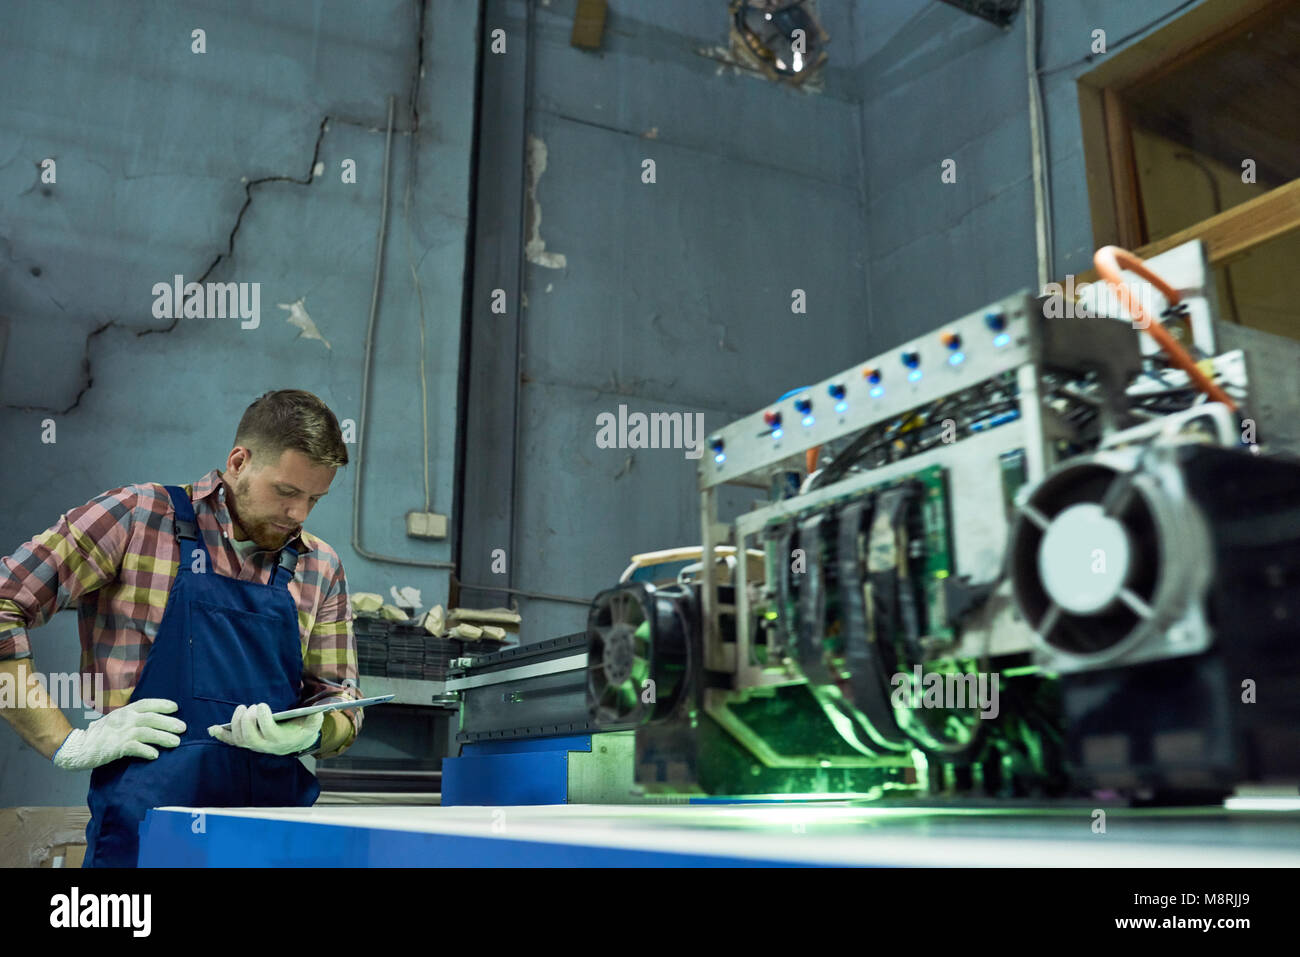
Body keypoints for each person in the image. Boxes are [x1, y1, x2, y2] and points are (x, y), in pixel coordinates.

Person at [0, 389, 364, 866]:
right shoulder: (137, 517)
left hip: (272, 838)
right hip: (146, 832)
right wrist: (66, 743)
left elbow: (343, 700)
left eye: (315, 498)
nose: (299, 514)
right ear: (238, 462)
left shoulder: (321, 565)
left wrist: (311, 733)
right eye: (287, 492)